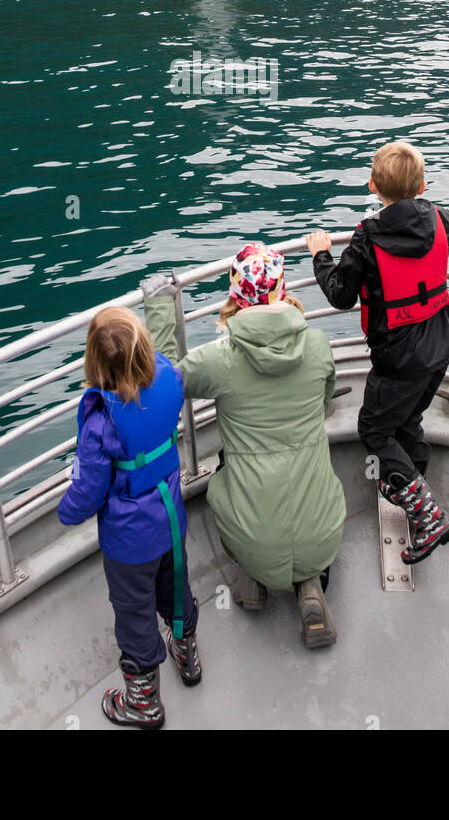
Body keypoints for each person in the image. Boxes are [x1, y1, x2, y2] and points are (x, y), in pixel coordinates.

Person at [142, 242, 345, 649]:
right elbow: (324, 405)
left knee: (223, 481)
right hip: (324, 534)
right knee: (309, 484)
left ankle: (252, 580)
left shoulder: (219, 360)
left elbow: (162, 384)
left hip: (256, 537)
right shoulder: (319, 345)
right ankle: (309, 586)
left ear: (236, 295)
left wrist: (163, 309)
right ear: (283, 292)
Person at [306, 140, 449, 564]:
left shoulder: (367, 238)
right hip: (441, 347)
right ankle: (414, 494)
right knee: (408, 419)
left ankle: (428, 517)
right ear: (424, 186)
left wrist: (321, 255)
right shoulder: (437, 219)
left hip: (398, 359)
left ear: (373, 185)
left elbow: (340, 293)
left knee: (374, 430)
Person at [57, 305, 200, 730]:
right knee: (177, 589)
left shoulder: (100, 423)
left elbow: (88, 491)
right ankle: (188, 658)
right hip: (172, 518)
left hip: (129, 544)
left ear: (94, 362)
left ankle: (143, 704)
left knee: (134, 614)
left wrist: (66, 514)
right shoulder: (170, 380)